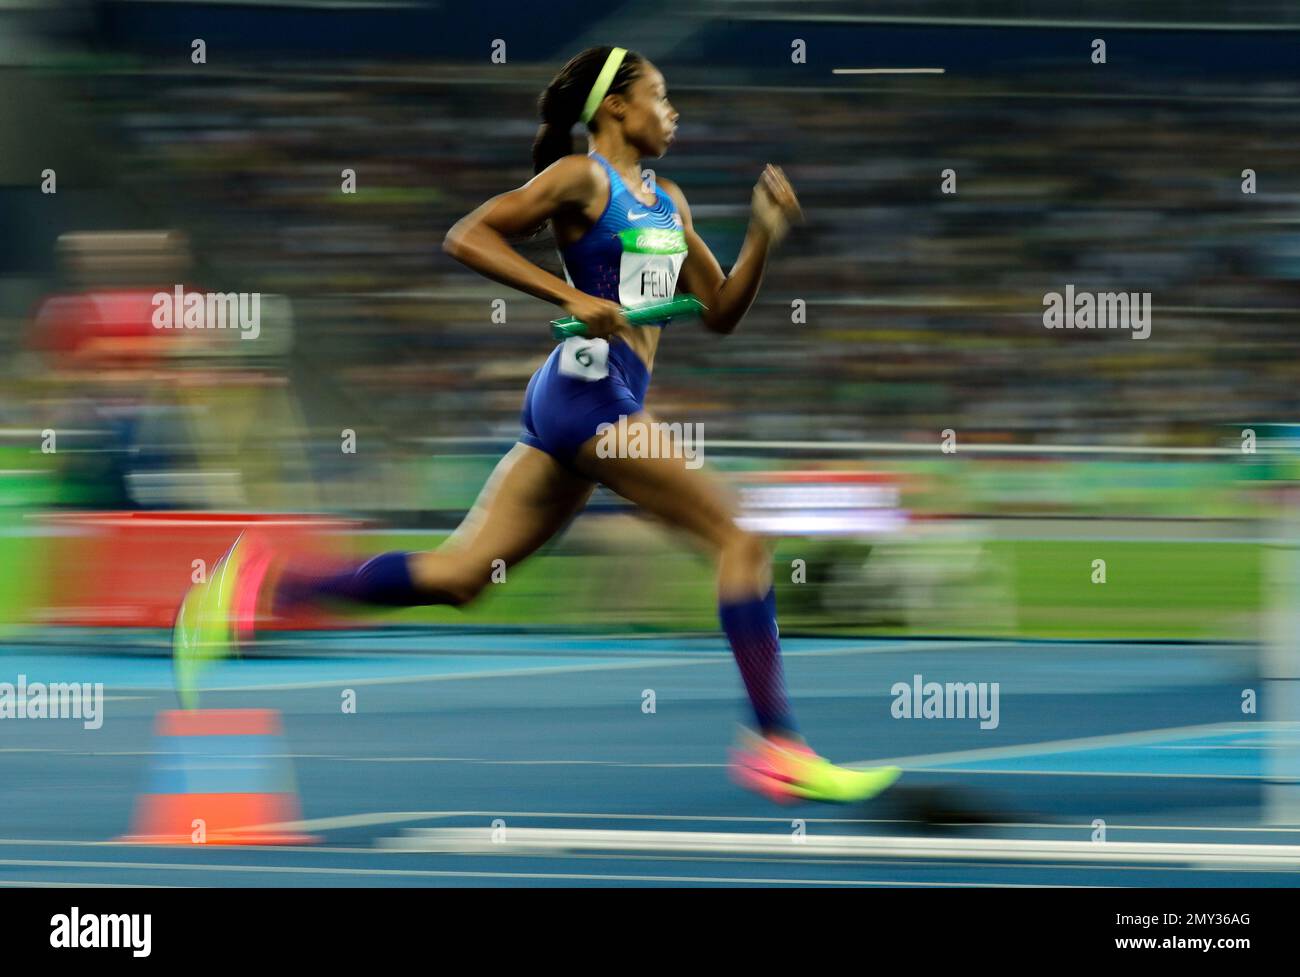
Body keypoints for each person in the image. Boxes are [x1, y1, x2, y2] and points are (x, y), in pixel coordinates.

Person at [175, 46, 900, 804]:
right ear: (616, 107)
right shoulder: (584, 178)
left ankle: (256, 584)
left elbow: (718, 312)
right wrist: (567, 294)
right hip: (587, 393)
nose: (673, 111)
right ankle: (776, 744)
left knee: (461, 577)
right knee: (740, 534)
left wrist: (761, 238)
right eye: (661, 96)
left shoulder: (670, 201)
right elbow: (468, 235)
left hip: (595, 399)